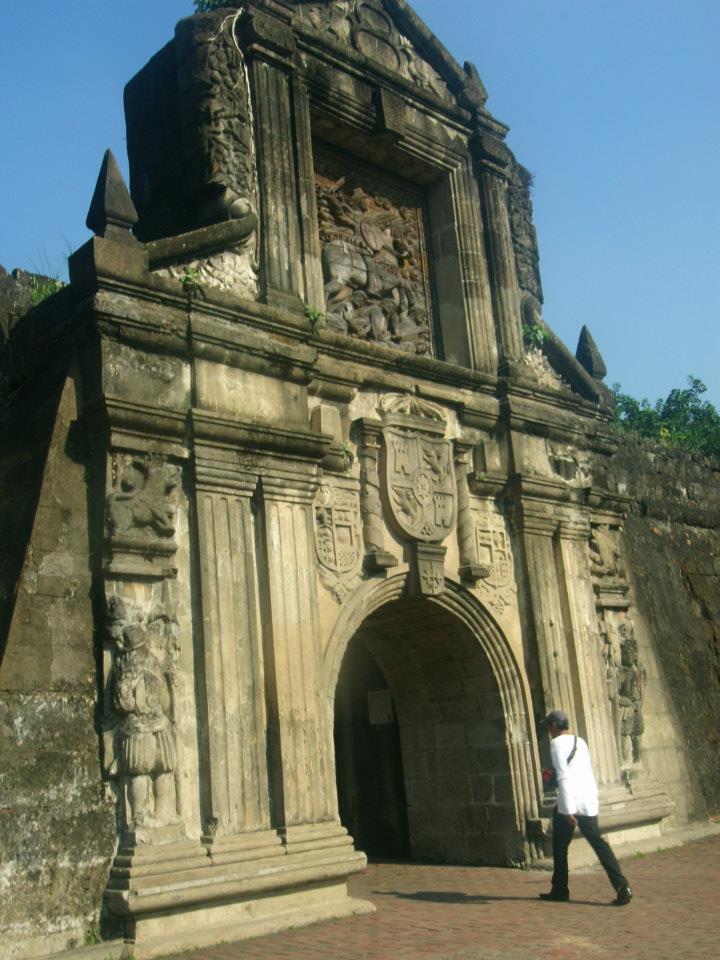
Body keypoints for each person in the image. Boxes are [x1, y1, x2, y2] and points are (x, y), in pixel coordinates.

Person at [539, 709, 633, 906]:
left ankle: (560, 890)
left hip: (570, 802)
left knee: (560, 847)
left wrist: (568, 810)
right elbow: (586, 772)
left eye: (549, 726)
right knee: (599, 844)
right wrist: (592, 801)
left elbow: (563, 776)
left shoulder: (556, 744)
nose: (549, 730)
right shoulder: (580, 742)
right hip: (587, 800)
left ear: (554, 726)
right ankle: (622, 886)